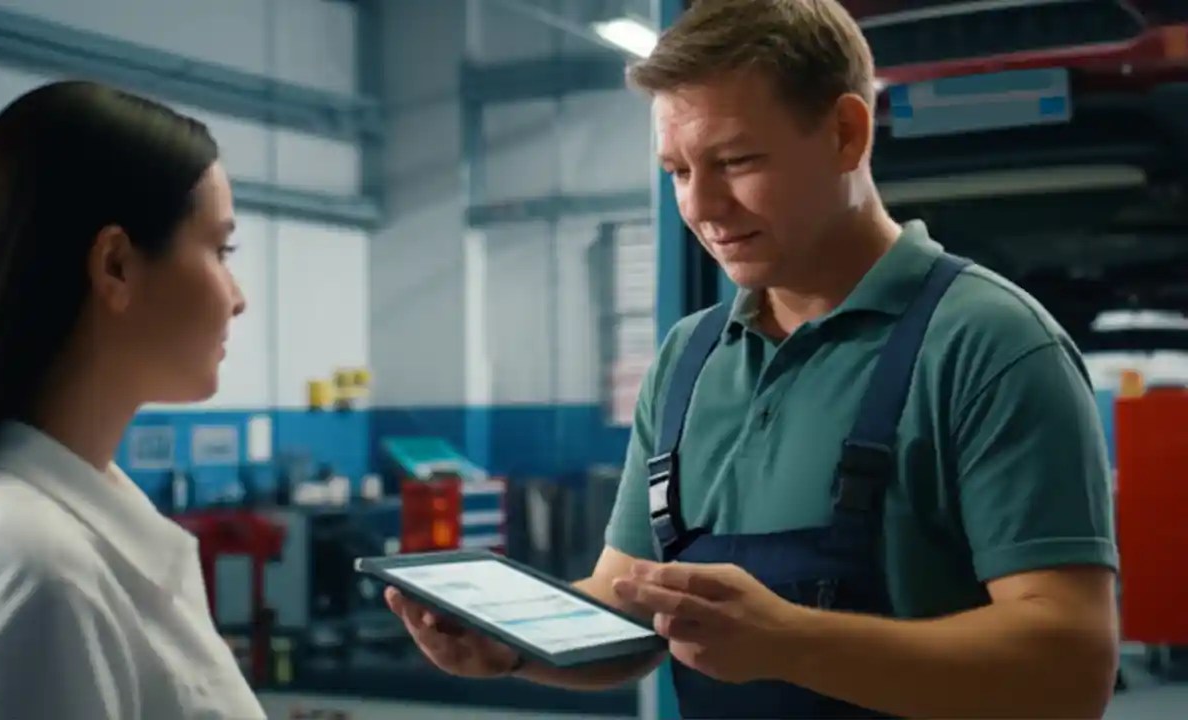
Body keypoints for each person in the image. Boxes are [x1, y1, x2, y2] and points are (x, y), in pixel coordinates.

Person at [384, 1, 1120, 717]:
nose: (701, 205)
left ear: (845, 135)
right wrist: (516, 650)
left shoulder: (990, 347)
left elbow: (1067, 671)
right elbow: (629, 602)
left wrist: (794, 644)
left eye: (735, 161)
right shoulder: (688, 359)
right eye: (676, 170)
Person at [0, 80, 261, 719]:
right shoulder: (34, 565)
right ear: (117, 266)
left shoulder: (62, 529)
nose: (237, 296)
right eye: (219, 248)